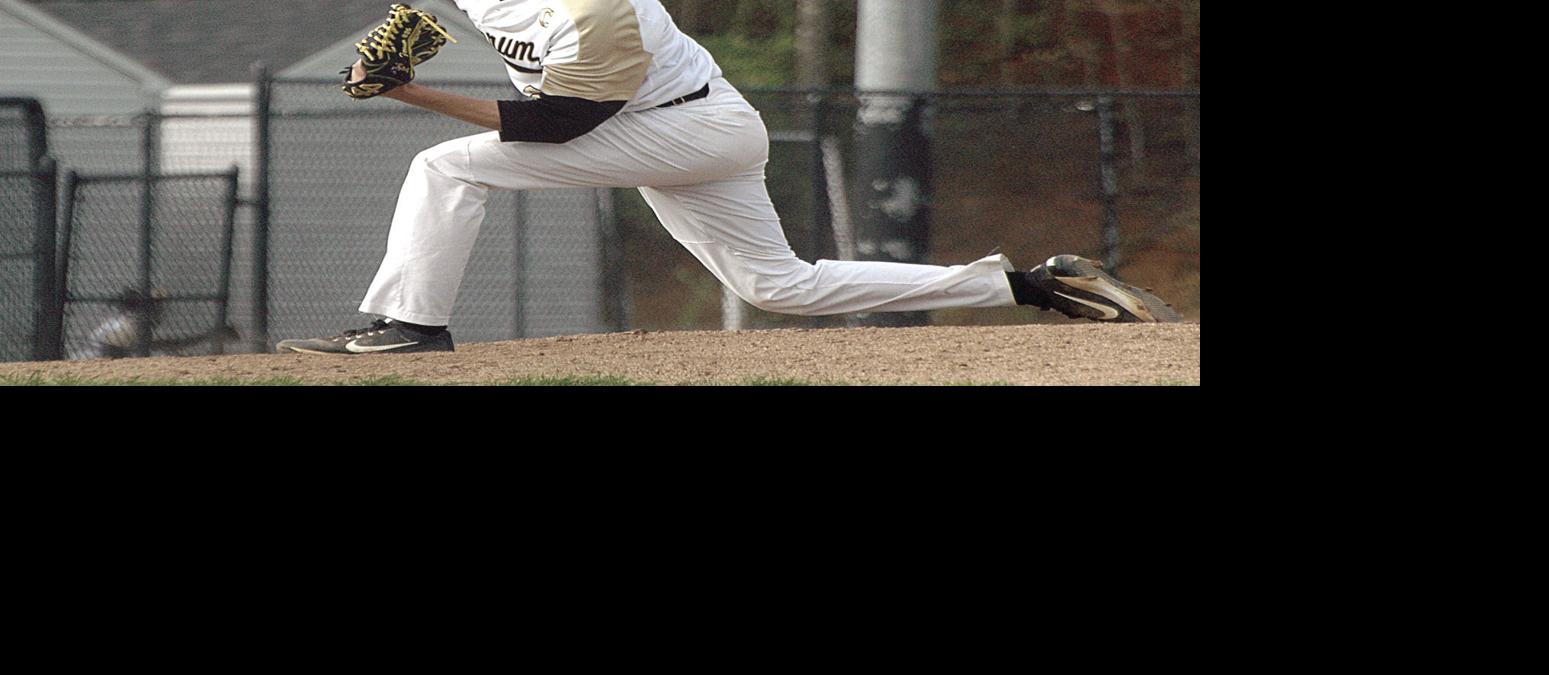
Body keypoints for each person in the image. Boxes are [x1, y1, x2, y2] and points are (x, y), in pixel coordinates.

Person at [275, 0, 1177, 356]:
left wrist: (413, 94)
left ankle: (410, 326)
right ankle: (1029, 286)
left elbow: (558, 125)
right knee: (778, 284)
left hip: (689, 130)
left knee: (446, 164)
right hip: (676, 130)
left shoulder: (600, 12)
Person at [70, 288, 239, 360]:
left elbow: (163, 345)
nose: (161, 311)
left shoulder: (133, 322)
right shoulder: (131, 325)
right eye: (156, 306)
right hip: (89, 362)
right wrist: (208, 336)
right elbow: (163, 345)